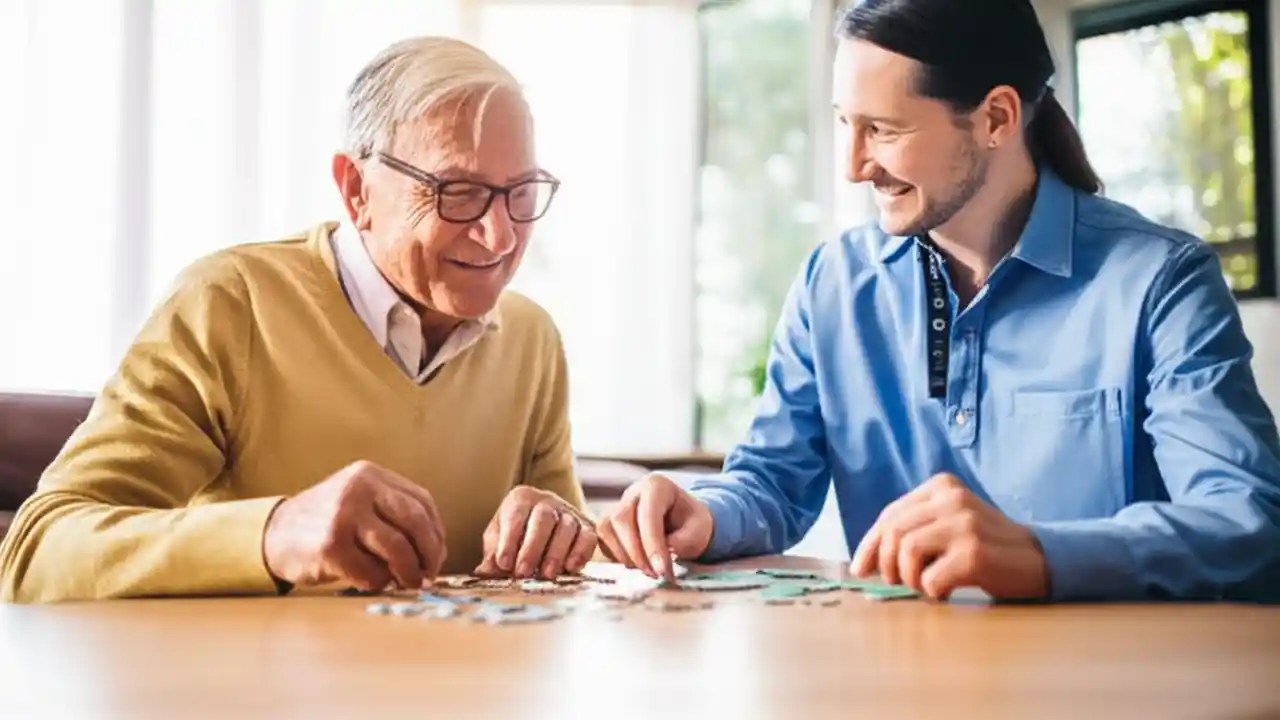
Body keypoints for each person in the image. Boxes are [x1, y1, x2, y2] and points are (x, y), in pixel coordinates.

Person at [598, 0, 1280, 602]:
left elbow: (1244, 517)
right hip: (902, 680)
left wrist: (1041, 554)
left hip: (1109, 687)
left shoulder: (1161, 279)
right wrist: (701, 511)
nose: (853, 164)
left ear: (996, 118)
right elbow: (771, 484)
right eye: (845, 123)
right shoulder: (831, 284)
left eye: (884, 130)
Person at [0, 37, 596, 603]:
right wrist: (274, 533)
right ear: (356, 188)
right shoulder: (230, 304)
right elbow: (33, 556)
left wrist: (564, 534)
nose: (499, 235)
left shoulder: (531, 338)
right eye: (457, 192)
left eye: (520, 192)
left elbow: (574, 568)